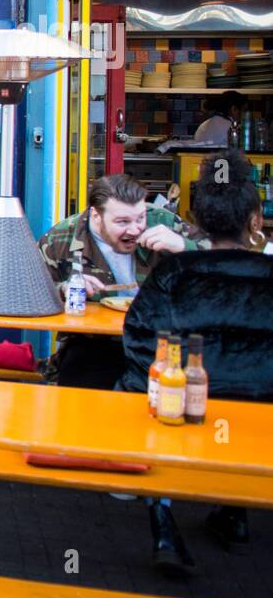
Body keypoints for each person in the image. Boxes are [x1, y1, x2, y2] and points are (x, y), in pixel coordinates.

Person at [119, 149, 273, 573]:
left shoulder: (173, 274)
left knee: (150, 399)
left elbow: (137, 340)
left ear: (195, 220)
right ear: (255, 220)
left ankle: (163, 520)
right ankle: (236, 513)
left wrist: (147, 385)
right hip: (263, 403)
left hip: (187, 399)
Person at [37, 173, 206, 388]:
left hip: (162, 339)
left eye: (140, 218)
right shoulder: (59, 240)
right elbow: (28, 294)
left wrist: (184, 246)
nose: (135, 229)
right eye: (122, 222)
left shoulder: (163, 221)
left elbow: (225, 258)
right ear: (96, 216)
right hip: (94, 346)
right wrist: (64, 289)